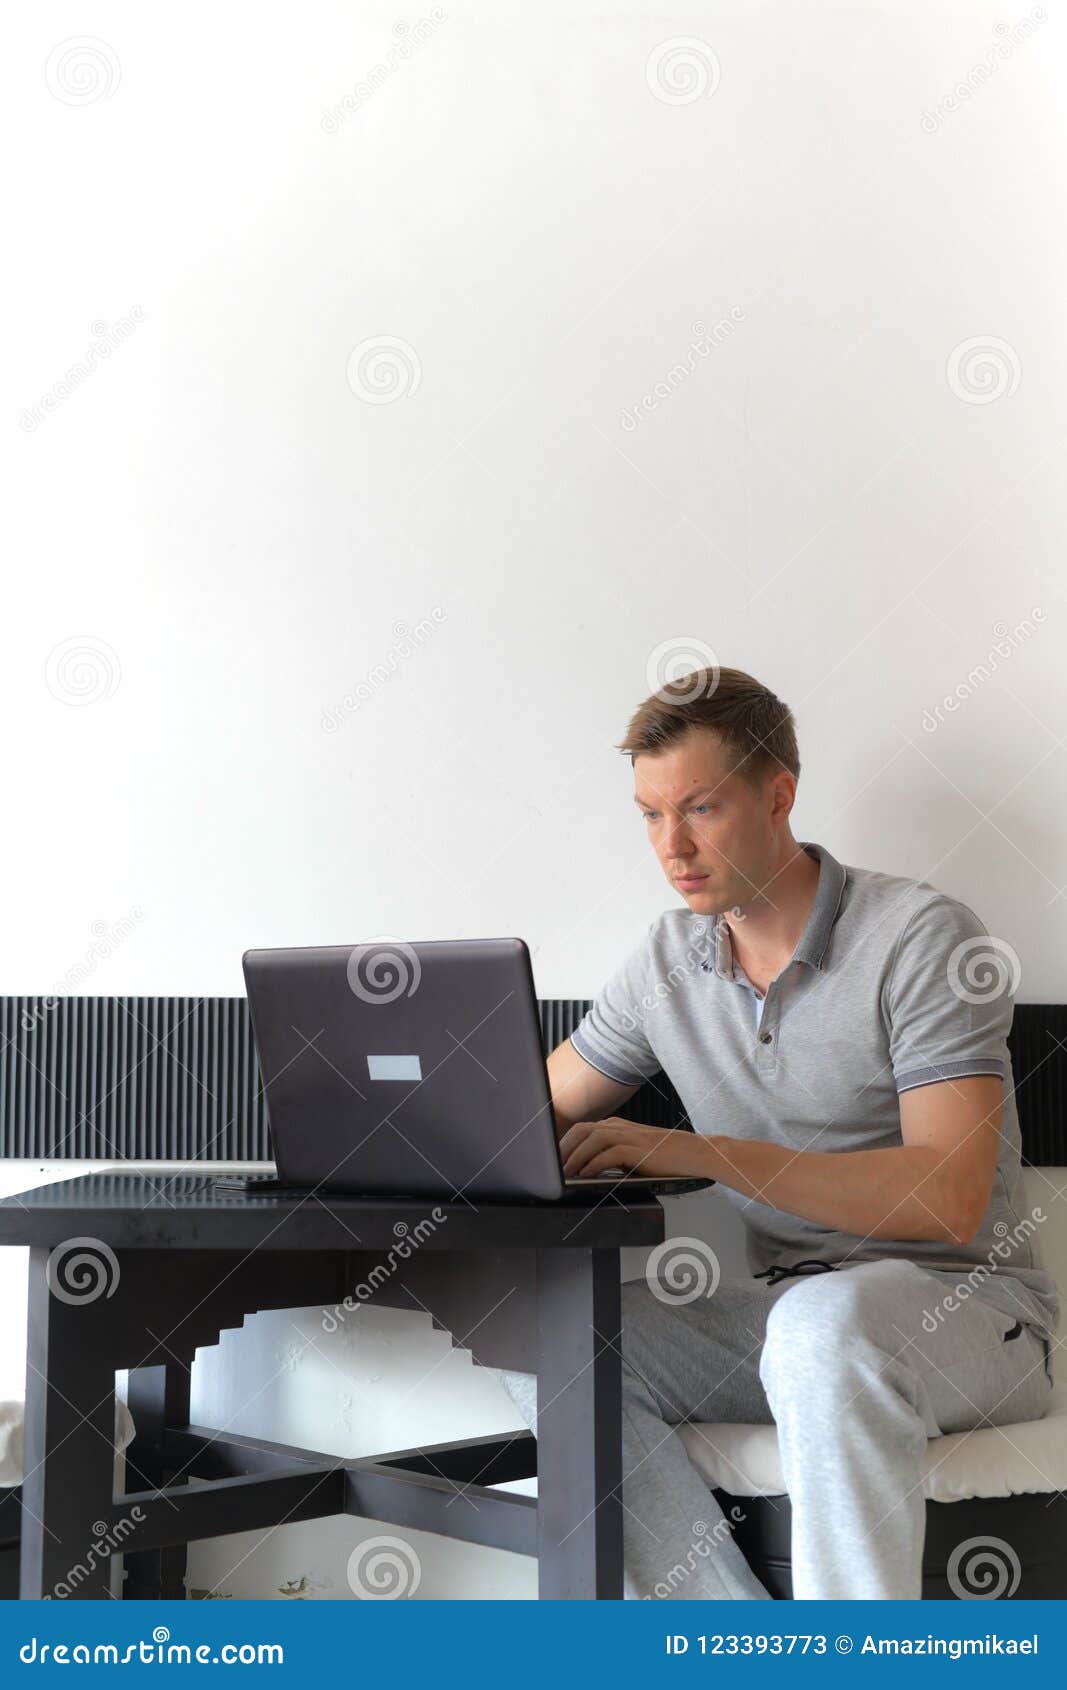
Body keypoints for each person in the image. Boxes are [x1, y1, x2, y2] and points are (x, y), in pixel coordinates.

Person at [497, 665, 1058, 1600]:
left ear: (778, 795)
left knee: (818, 1324)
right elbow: (528, 1110)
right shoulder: (668, 961)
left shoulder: (921, 939)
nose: (670, 845)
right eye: (648, 815)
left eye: (701, 809)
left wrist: (686, 1150)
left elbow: (948, 1200)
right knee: (549, 1343)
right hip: (787, 1314)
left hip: (968, 1317)